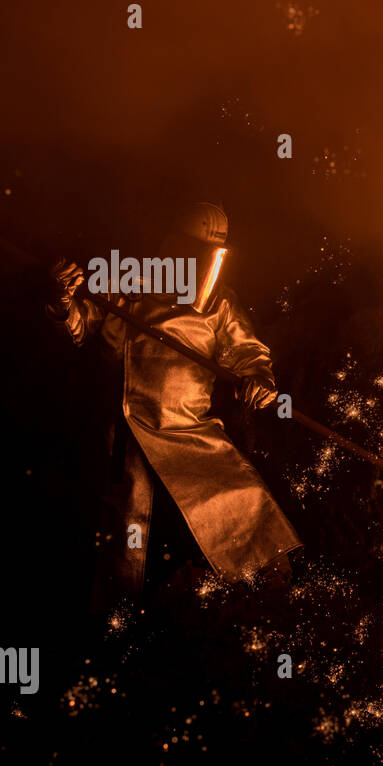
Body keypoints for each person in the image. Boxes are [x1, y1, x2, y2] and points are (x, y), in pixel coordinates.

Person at [46, 203, 300, 607]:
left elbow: (248, 353)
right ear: (173, 247)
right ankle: (120, 624)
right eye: (196, 251)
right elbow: (77, 326)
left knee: (239, 500)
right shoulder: (123, 285)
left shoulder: (218, 303)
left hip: (189, 433)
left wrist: (260, 380)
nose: (204, 262)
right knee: (122, 540)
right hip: (124, 438)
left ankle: (268, 597)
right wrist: (62, 299)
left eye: (212, 253)